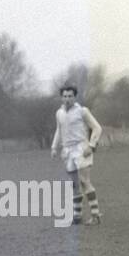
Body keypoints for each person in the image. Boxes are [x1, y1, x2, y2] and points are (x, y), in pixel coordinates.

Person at [51, 84, 104, 226]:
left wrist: (91, 146)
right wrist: (54, 147)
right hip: (68, 151)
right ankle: (77, 216)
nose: (67, 99)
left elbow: (97, 128)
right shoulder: (59, 113)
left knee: (85, 181)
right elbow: (59, 130)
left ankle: (95, 215)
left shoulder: (82, 111)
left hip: (81, 149)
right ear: (61, 97)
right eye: (65, 96)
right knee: (74, 185)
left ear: (75, 97)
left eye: (70, 96)